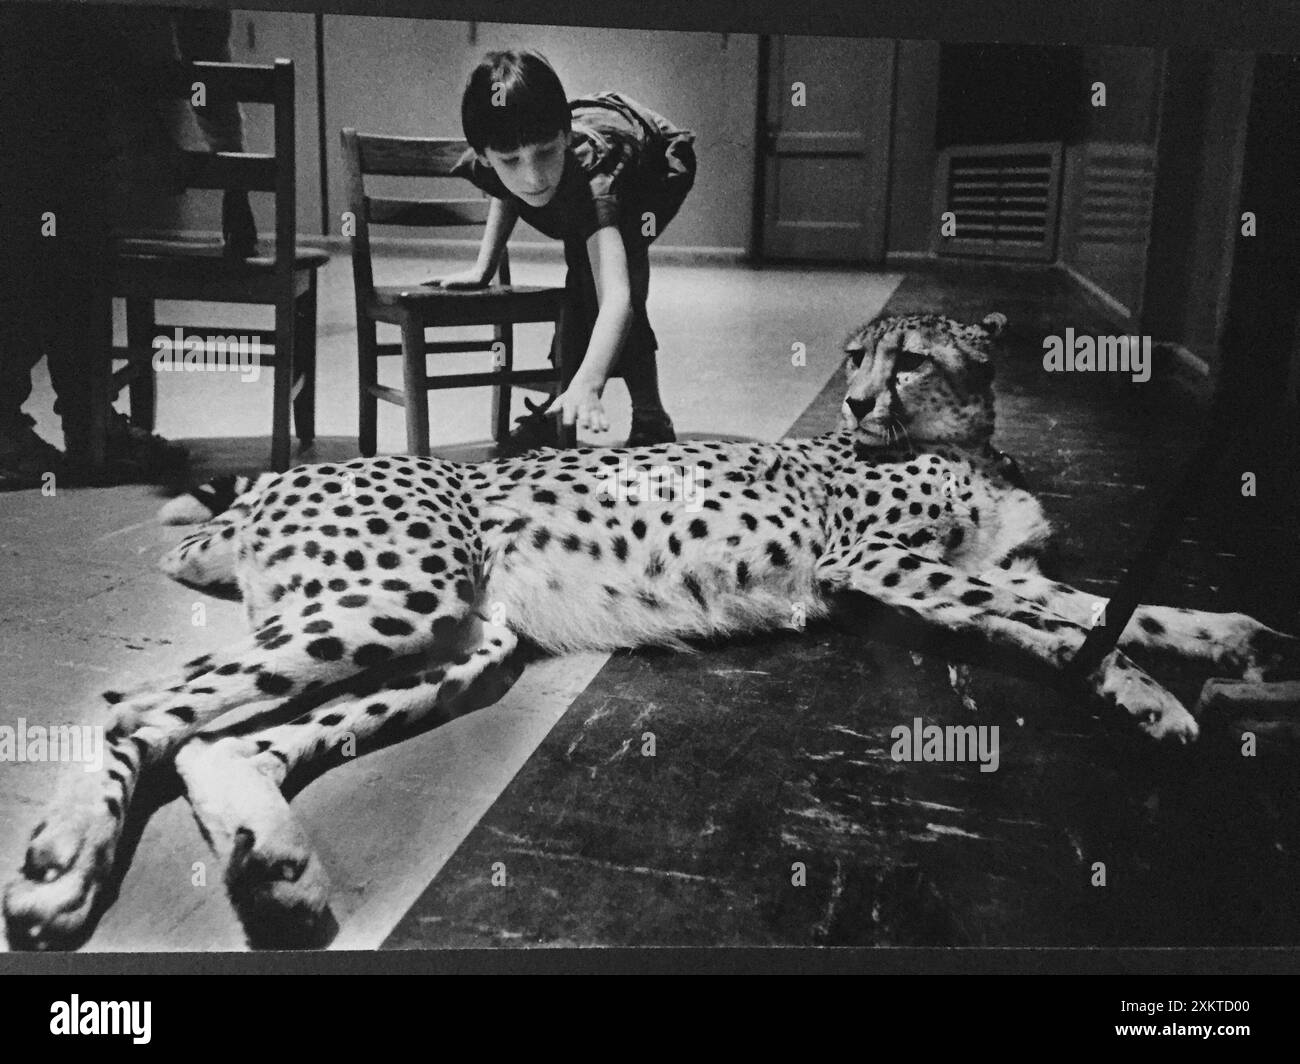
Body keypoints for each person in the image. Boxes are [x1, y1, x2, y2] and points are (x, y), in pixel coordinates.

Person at [0, 5, 256, 490]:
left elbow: (199, 56)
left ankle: (89, 421)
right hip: (37, 91)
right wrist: (230, 172)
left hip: (66, 101)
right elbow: (204, 60)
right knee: (42, 253)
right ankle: (49, 424)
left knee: (67, 251)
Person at [431, 49, 696, 452]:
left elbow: (618, 300)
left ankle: (649, 415)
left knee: (607, 285)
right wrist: (483, 267)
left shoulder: (597, 177)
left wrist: (591, 382)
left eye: (545, 152)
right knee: (582, 282)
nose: (533, 176)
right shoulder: (491, 157)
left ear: (566, 137)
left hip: (649, 167)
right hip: (585, 157)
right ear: (486, 155)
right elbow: (504, 192)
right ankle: (562, 411)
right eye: (511, 160)